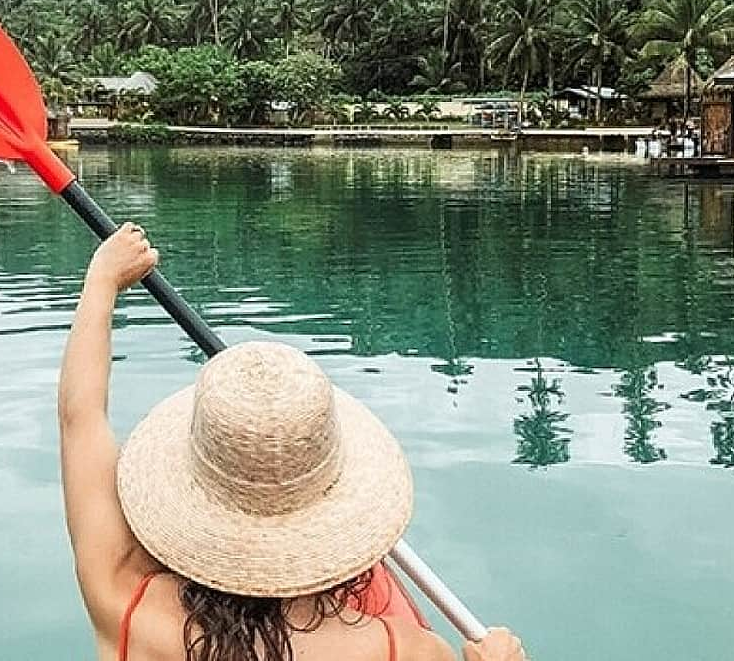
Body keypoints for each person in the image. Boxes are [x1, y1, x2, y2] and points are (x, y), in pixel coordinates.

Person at [58, 223, 528, 661]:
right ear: (331, 505)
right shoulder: (404, 650)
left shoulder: (125, 607)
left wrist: (102, 281)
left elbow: (80, 419)